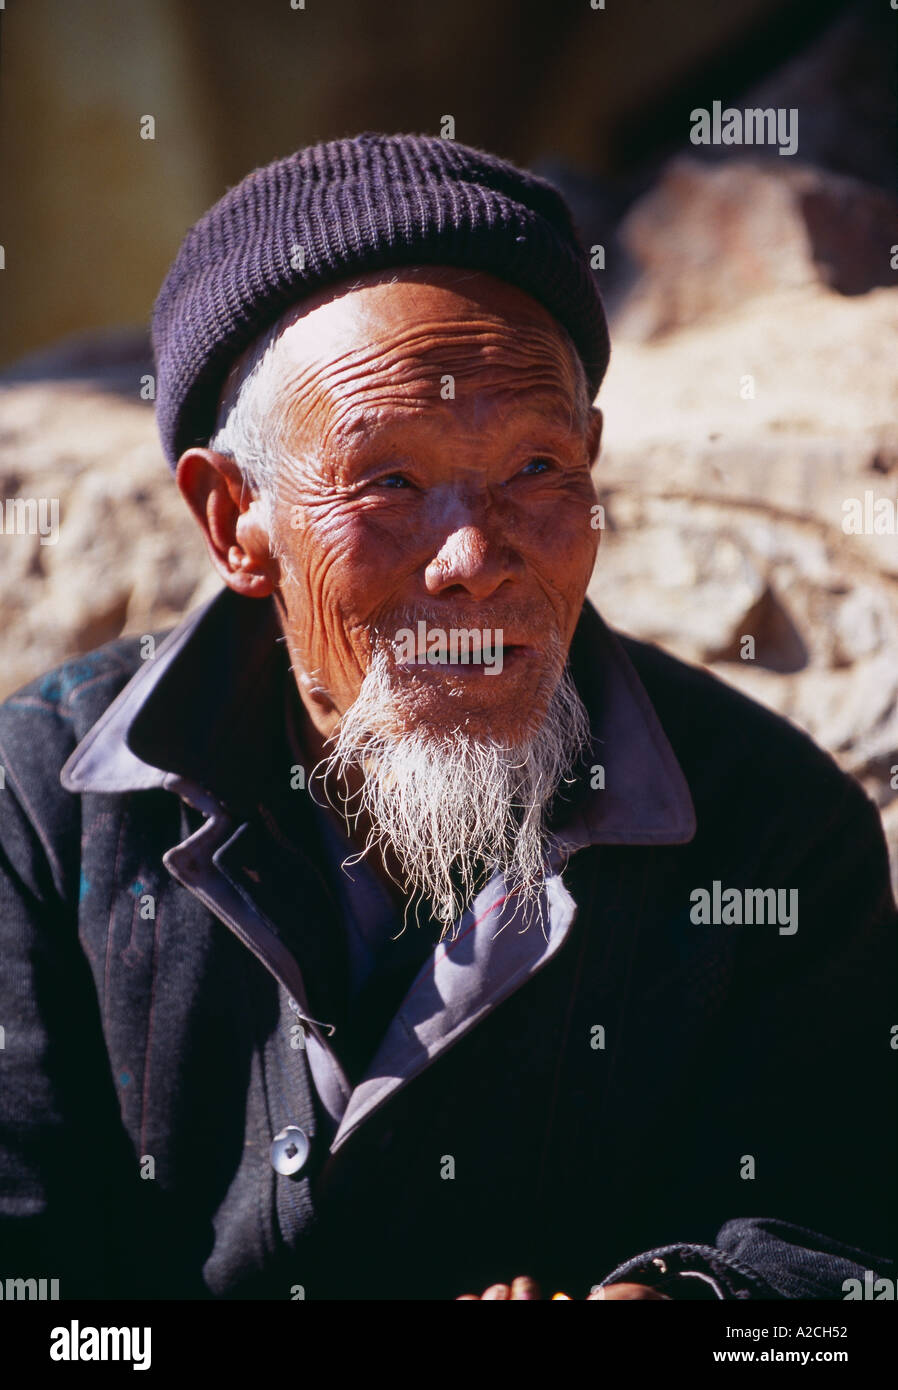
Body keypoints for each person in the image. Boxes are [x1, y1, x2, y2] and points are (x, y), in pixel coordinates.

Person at [0, 133, 894, 1301]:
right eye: (389, 482)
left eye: (534, 468)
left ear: (591, 468)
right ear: (234, 523)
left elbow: (839, 1253)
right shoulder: (43, 801)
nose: (474, 557)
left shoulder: (768, 826)